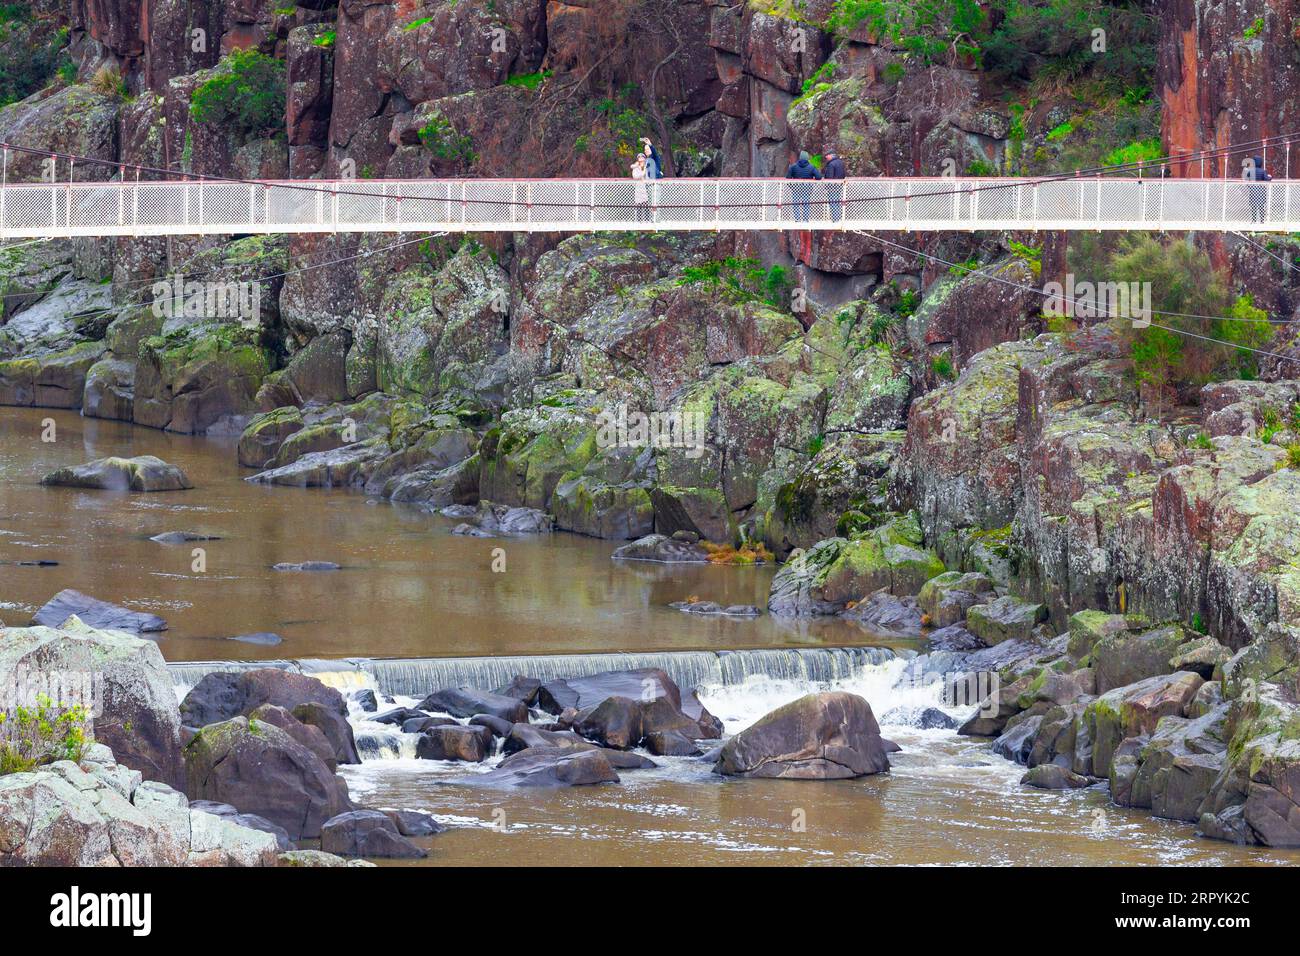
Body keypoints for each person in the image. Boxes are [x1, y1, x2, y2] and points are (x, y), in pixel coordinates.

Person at [786, 150, 822, 223]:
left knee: (796, 204)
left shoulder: (793, 166)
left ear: (800, 158)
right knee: (806, 204)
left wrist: (792, 187)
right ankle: (805, 219)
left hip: (796, 188)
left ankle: (797, 219)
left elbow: (788, 179)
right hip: (807, 188)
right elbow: (819, 177)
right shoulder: (812, 167)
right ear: (807, 158)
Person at [1245, 154, 1272, 223]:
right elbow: (1267, 179)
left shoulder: (1251, 170)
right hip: (1261, 191)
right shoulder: (1262, 171)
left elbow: (1246, 178)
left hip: (1253, 191)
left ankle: (1253, 221)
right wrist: (1270, 176)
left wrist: (1249, 186)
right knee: (1261, 206)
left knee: (1253, 207)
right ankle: (1262, 221)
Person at [823, 151, 846, 222]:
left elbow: (830, 177)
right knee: (837, 202)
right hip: (840, 185)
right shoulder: (841, 163)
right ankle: (838, 218)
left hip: (832, 187)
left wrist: (827, 185)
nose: (826, 157)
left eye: (827, 155)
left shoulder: (831, 164)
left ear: (831, 155)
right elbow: (844, 174)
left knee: (832, 202)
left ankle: (835, 219)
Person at [631, 154, 650, 222]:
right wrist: (643, 173)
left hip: (645, 187)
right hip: (638, 187)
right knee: (638, 203)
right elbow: (635, 176)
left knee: (646, 203)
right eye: (639, 157)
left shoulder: (646, 166)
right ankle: (639, 221)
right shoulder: (636, 167)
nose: (641, 158)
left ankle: (647, 220)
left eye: (642, 157)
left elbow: (649, 176)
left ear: (644, 159)